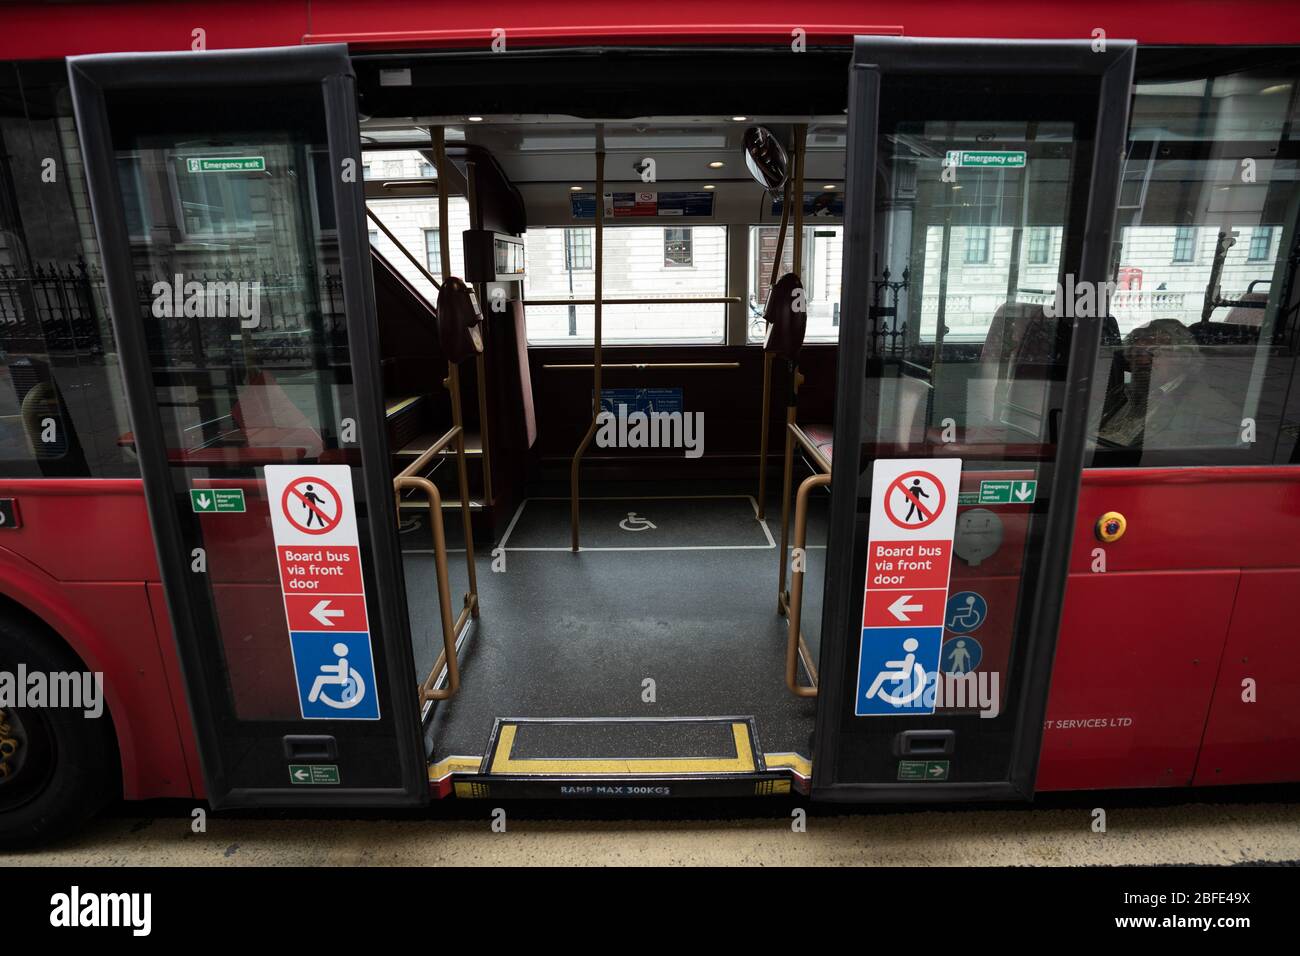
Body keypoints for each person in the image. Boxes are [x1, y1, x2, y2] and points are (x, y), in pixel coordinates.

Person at [1098, 319, 1242, 451]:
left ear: (1184, 357)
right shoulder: (1122, 393)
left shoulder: (1213, 411)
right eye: (1136, 353)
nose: (1143, 361)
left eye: (1155, 353)